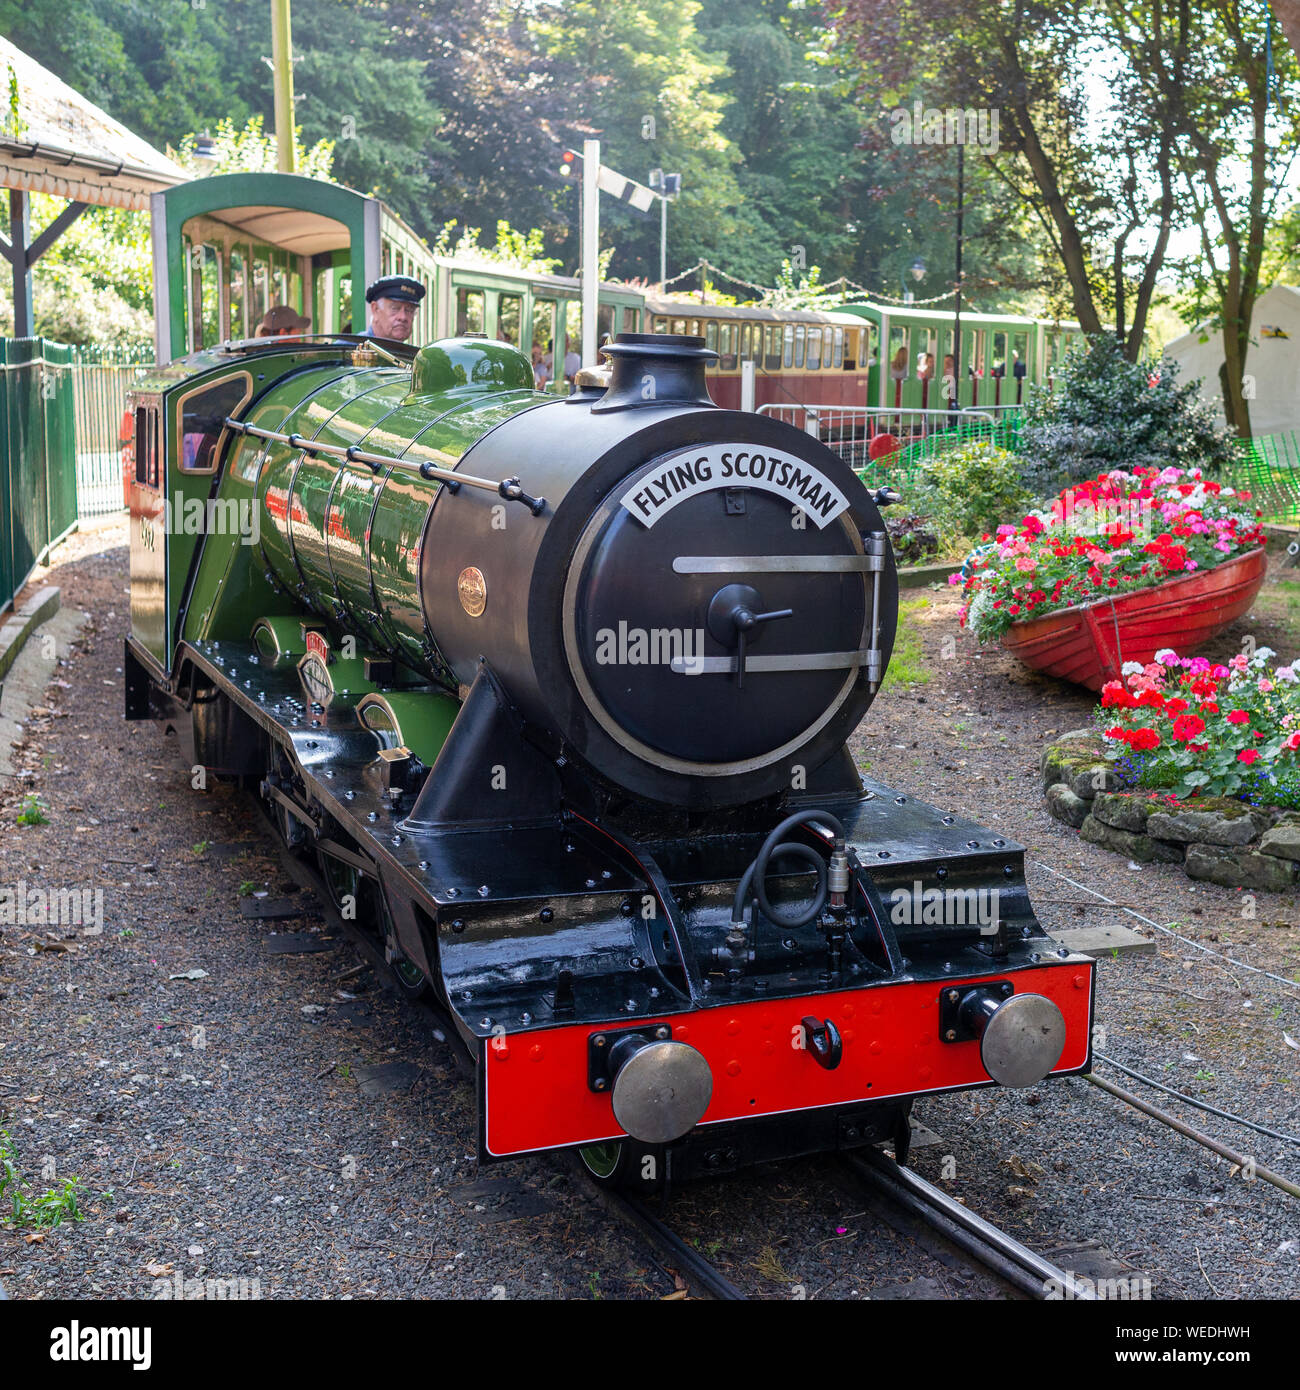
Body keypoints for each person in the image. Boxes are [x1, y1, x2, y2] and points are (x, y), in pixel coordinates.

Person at [360, 274, 426, 343]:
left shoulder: (413, 353)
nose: (403, 317)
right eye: (395, 308)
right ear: (375, 309)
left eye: (409, 310)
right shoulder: (352, 350)